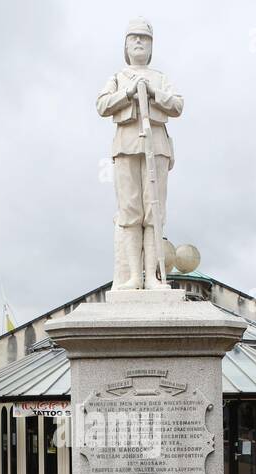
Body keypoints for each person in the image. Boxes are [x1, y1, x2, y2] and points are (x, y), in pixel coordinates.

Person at [98, 18, 184, 290]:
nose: (138, 42)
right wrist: (128, 92)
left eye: (144, 38)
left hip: (156, 147)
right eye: (133, 38)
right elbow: (102, 105)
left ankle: (154, 277)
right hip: (126, 146)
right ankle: (133, 277)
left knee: (154, 212)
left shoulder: (161, 77)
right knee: (130, 210)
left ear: (151, 46)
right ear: (125, 44)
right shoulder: (118, 77)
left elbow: (178, 105)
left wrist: (154, 93)